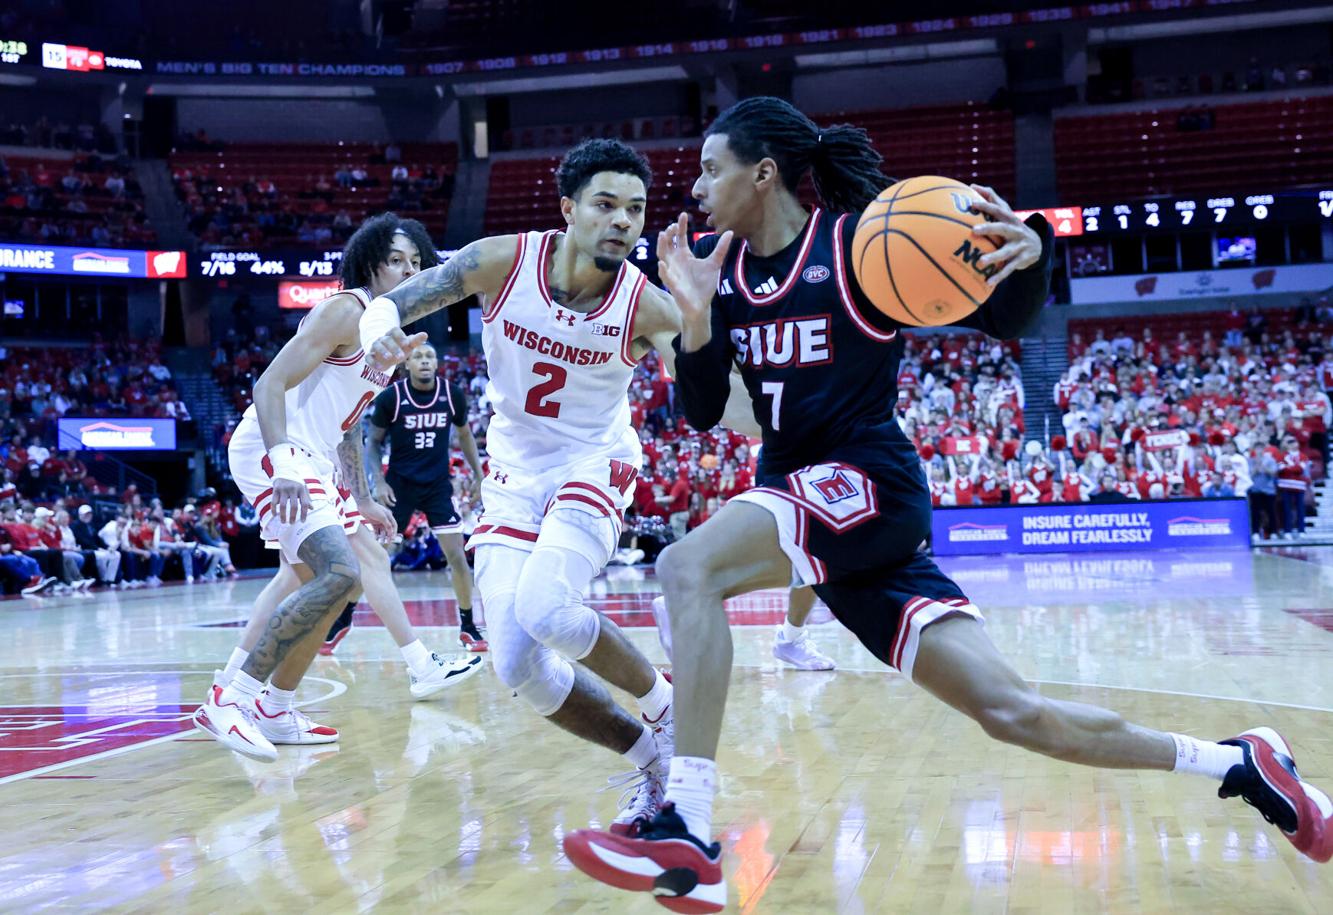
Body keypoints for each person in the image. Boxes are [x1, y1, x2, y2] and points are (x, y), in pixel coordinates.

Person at [560, 97, 1333, 911]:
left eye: (712, 167)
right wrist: (693, 315)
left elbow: (1004, 316)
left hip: (864, 479)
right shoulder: (718, 268)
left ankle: (687, 822)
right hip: (812, 499)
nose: (696, 183)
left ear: (762, 174)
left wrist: (1031, 255)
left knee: (685, 566)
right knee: (1013, 711)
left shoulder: (862, 242)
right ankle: (1238, 762)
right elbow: (706, 407)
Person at [359, 139, 757, 835]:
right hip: (512, 474)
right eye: (605, 205)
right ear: (568, 208)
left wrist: (701, 326)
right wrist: (378, 332)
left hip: (594, 462)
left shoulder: (646, 305)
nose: (622, 222)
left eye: (634, 209)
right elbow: (396, 303)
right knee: (515, 663)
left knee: (547, 606)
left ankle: (668, 707)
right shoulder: (500, 260)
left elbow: (730, 413)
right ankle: (651, 759)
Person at [193, 213, 482, 764]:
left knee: (337, 580)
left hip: (317, 454)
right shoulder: (343, 310)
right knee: (341, 571)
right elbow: (269, 383)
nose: (409, 270)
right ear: (370, 264)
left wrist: (365, 495)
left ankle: (275, 705)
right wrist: (281, 465)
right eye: (397, 260)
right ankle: (230, 699)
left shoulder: (385, 335)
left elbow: (346, 423)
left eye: (418, 263)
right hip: (273, 449)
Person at [367, 339, 487, 650]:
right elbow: (372, 442)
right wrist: (378, 482)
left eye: (429, 356)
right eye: (417, 356)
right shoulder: (392, 397)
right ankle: (344, 618)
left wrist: (478, 473)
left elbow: (464, 435)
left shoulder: (451, 394)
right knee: (378, 556)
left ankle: (468, 624)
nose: (423, 361)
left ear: (436, 363)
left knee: (457, 557)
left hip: (437, 486)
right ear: (406, 364)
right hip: (399, 486)